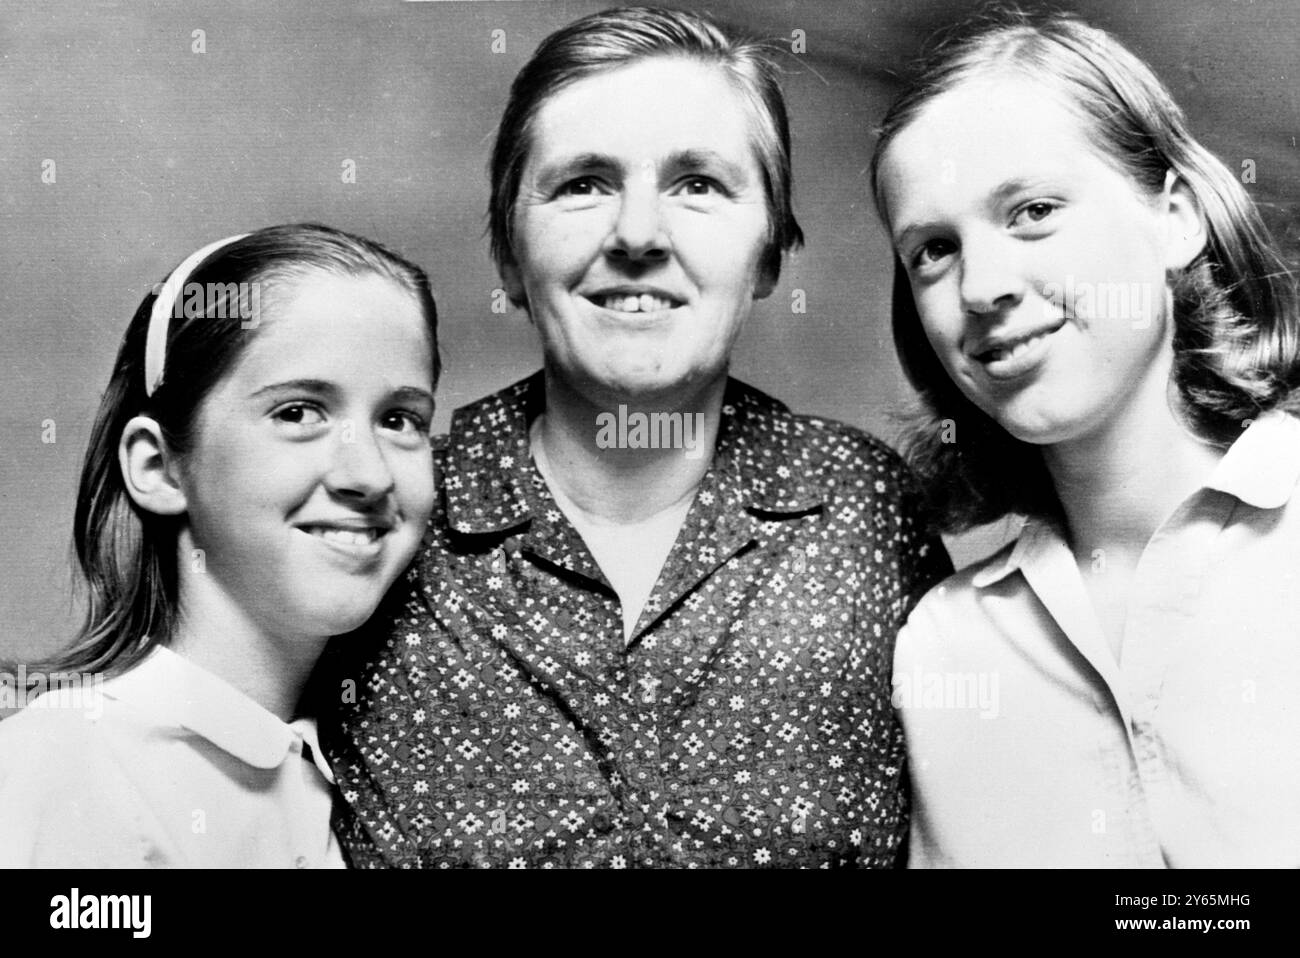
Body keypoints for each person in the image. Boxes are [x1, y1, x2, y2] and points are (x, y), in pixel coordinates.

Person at [321, 6, 950, 868]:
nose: (639, 236)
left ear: (769, 255)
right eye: (583, 183)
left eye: (698, 184)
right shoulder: (381, 514)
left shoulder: (870, 516)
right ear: (509, 252)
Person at [873, 11, 1300, 866]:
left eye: (1032, 211)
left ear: (1175, 220)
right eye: (934, 250)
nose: (984, 286)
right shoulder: (945, 650)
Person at [0, 224, 441, 867]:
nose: (369, 474)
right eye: (297, 412)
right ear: (159, 468)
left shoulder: (354, 780)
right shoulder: (69, 763)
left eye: (400, 420)